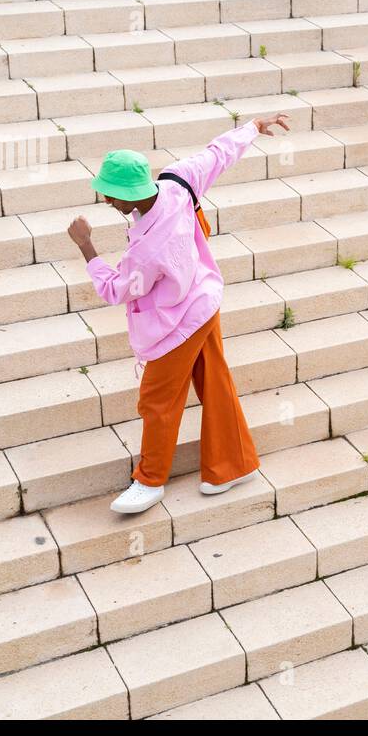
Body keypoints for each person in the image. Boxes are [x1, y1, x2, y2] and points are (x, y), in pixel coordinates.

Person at [67, 113, 290, 514]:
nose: (106, 201)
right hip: (204, 301)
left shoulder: (146, 251)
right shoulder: (177, 180)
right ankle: (233, 465)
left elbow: (116, 289)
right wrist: (253, 127)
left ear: (131, 193)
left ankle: (150, 481)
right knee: (215, 382)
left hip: (176, 324)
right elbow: (217, 155)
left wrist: (86, 248)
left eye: (112, 195)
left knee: (157, 400)